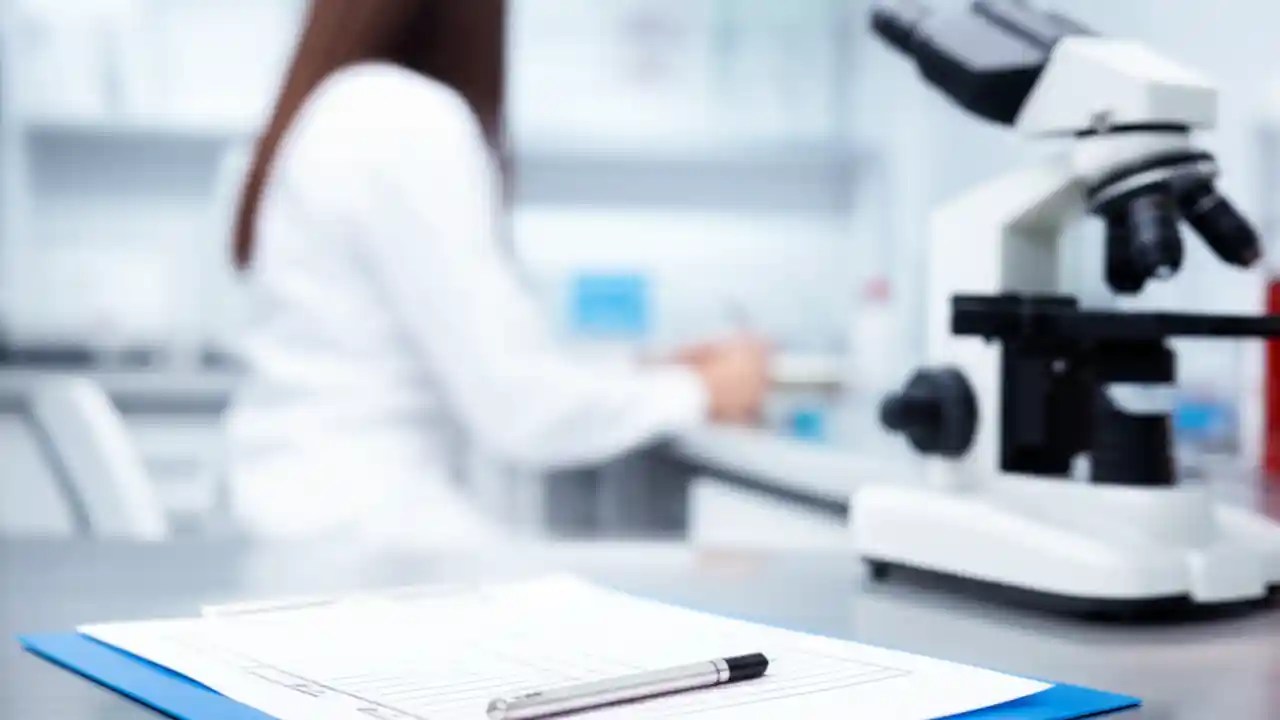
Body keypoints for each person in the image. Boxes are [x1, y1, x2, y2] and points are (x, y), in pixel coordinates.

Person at [224, 0, 769, 543]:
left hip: (300, 521)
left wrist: (643, 368)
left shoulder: (337, 107)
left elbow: (416, 354)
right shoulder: (404, 119)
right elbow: (518, 405)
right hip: (368, 533)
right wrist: (698, 391)